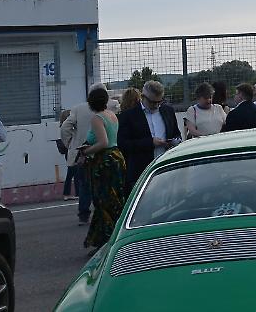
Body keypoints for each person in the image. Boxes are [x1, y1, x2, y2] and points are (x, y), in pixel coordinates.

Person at [77, 84, 126, 250]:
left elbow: (103, 142)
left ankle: (106, 241)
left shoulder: (97, 118)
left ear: (91, 103)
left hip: (105, 161)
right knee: (115, 199)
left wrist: (86, 152)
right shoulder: (112, 115)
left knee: (103, 201)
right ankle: (112, 237)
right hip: (117, 157)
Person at [117, 80, 181, 193]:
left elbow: (176, 133)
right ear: (143, 97)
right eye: (152, 102)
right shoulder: (129, 116)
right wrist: (149, 142)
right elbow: (123, 144)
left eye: (159, 101)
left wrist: (175, 141)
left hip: (166, 169)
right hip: (141, 172)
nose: (156, 105)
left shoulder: (168, 111)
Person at [60, 93, 96, 225]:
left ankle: (83, 215)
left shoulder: (78, 109)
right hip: (102, 152)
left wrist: (69, 143)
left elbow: (65, 127)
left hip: (81, 153)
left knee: (84, 185)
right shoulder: (109, 108)